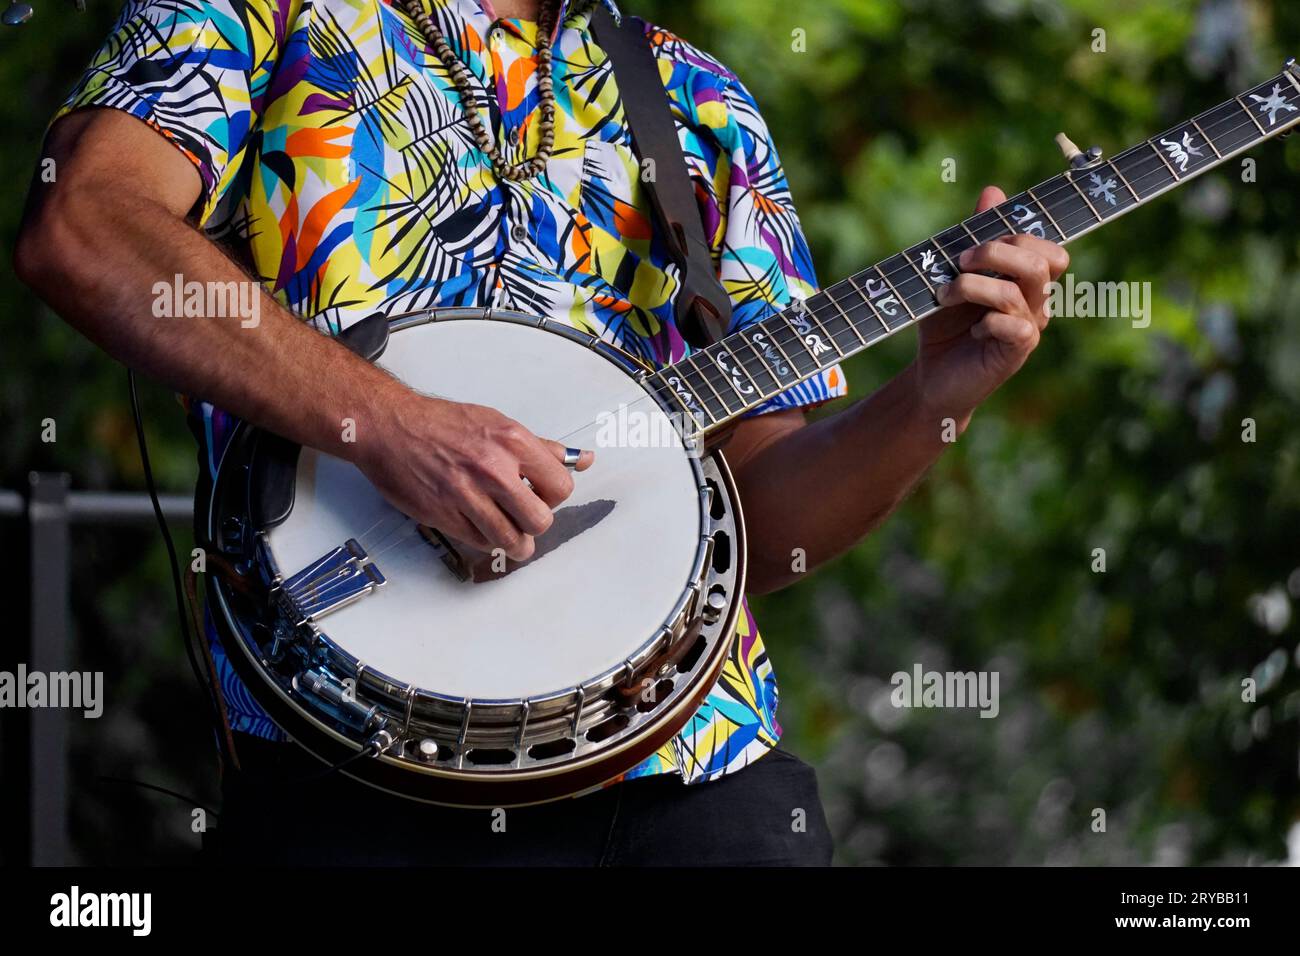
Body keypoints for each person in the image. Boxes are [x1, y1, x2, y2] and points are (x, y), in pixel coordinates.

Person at [14, 0, 1068, 865]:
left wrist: (932, 398)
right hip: (352, 771)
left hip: (690, 785)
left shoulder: (695, 100)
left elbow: (763, 520)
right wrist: (386, 423)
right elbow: (84, 225)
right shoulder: (252, 17)